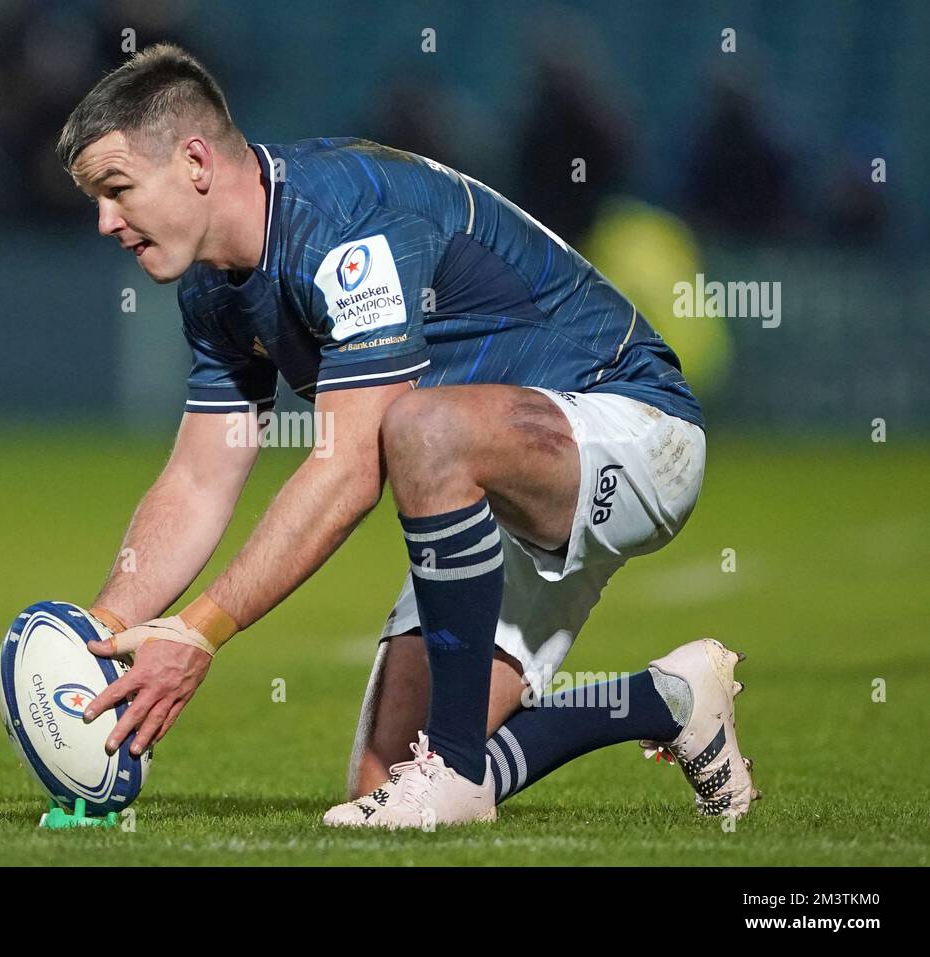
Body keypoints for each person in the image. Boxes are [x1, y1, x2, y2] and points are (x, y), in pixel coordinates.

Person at [55, 43, 758, 828]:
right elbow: (197, 479)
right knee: (382, 786)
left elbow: (351, 466)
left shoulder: (343, 225)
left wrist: (198, 631)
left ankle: (457, 772)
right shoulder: (215, 293)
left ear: (193, 161)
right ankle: (664, 701)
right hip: (487, 482)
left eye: (116, 190)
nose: (105, 221)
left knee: (416, 426)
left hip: (630, 427)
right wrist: (96, 639)